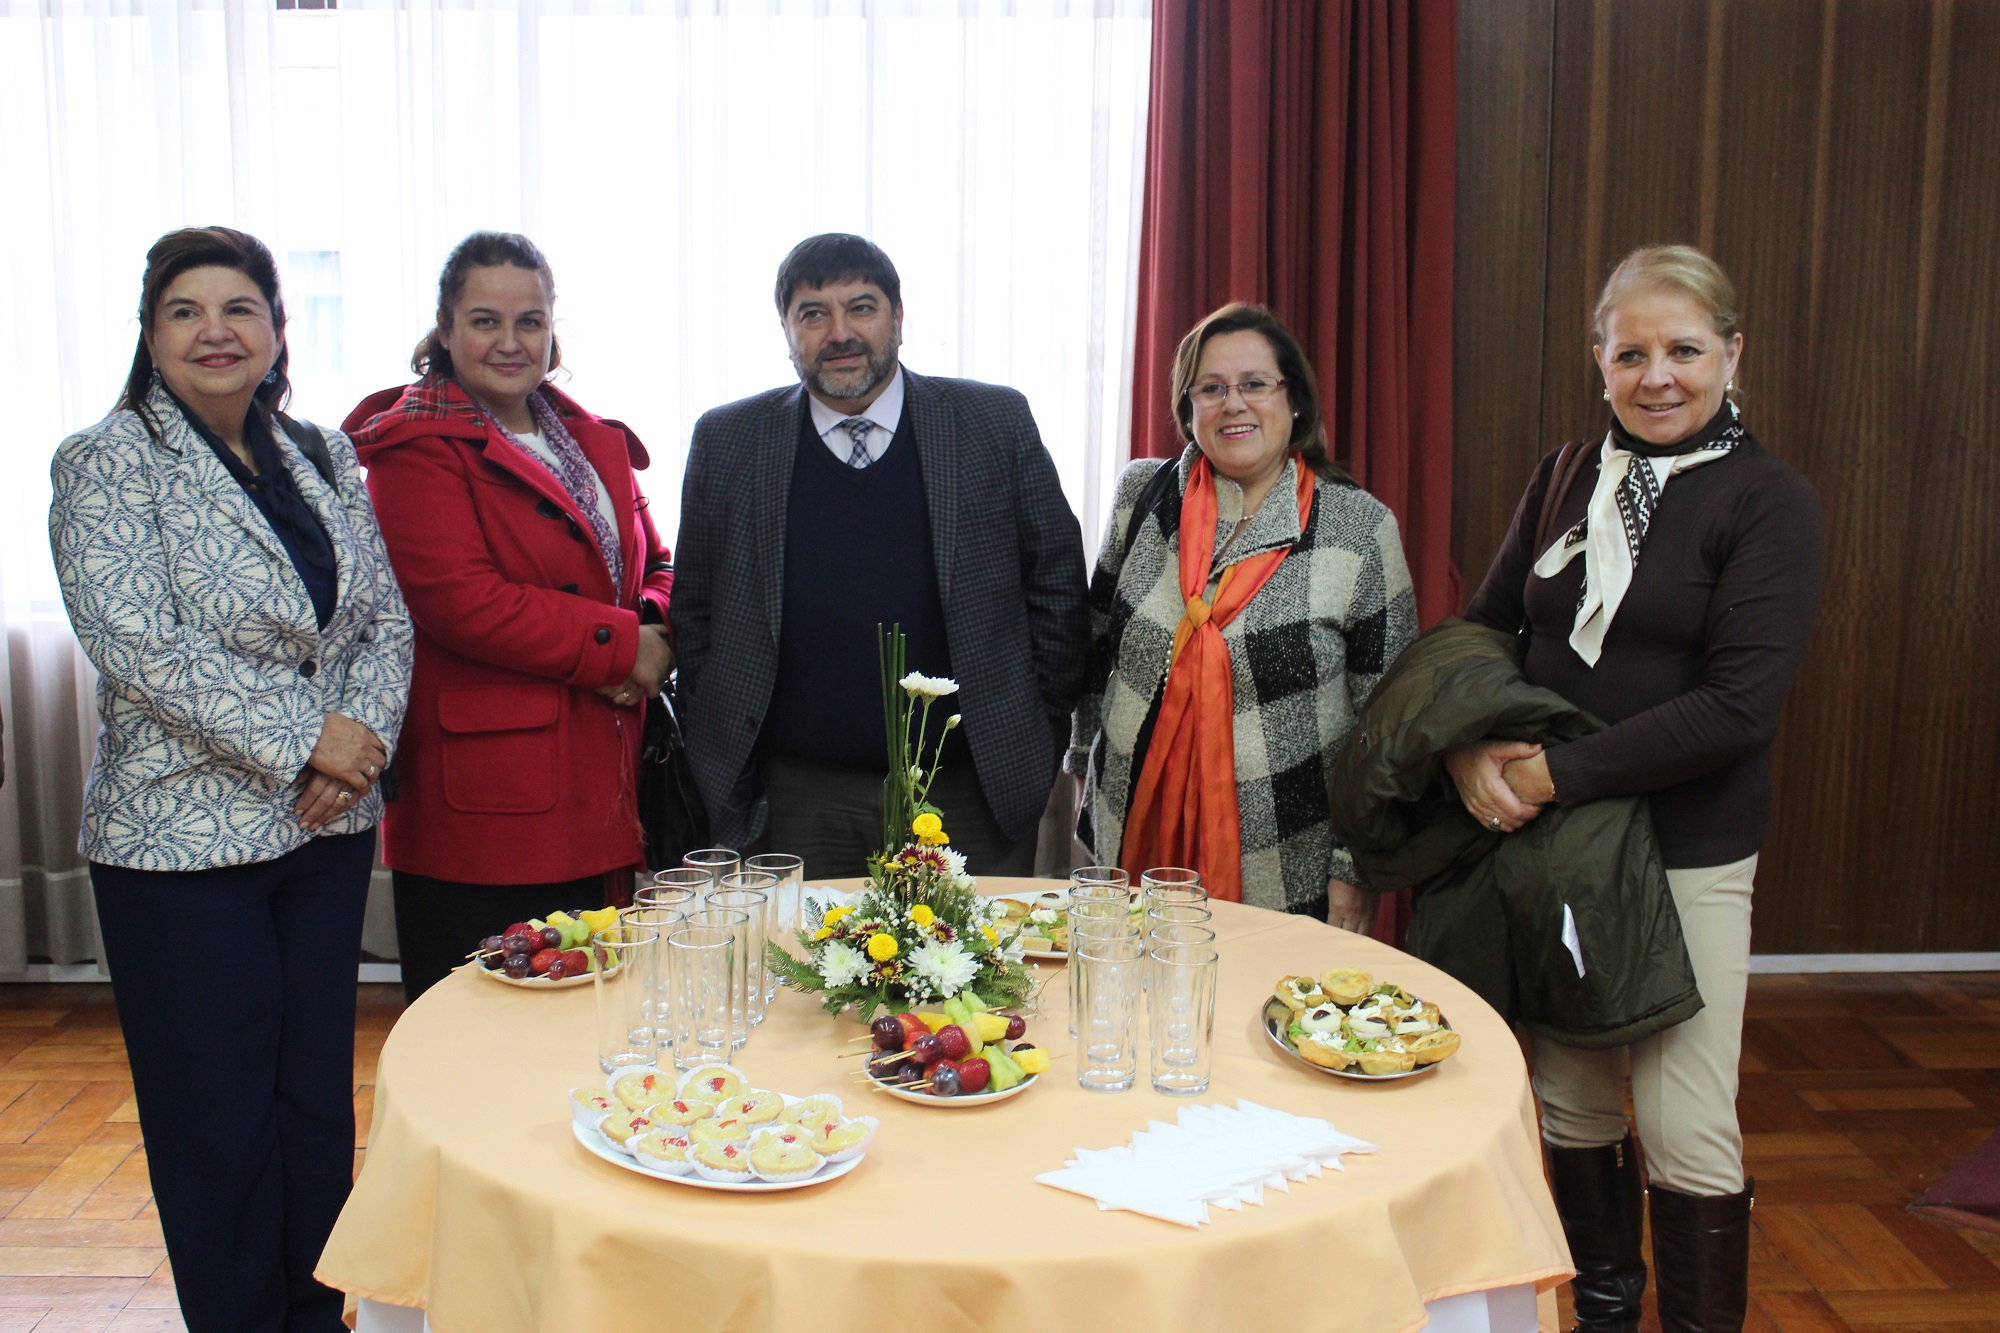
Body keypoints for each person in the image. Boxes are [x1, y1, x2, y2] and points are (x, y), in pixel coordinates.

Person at [49, 226, 412, 1333]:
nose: (215, 330)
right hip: (179, 846)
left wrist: (358, 741)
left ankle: (315, 1314)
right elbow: (138, 644)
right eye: (185, 311)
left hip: (325, 829)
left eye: (239, 307)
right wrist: (311, 738)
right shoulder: (105, 461)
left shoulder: (323, 453)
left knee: (312, 1101)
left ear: (276, 329)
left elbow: (384, 621)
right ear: (151, 336)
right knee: (216, 1122)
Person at [1454, 245, 1822, 1333]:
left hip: (1683, 846)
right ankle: (1604, 1317)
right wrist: (1470, 748)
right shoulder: (1565, 474)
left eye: (1684, 351)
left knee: (1683, 1119)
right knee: (1570, 1097)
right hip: (1559, 845)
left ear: (1732, 355)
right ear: (1599, 361)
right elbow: (1487, 629)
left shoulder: (1769, 500)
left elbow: (1736, 709)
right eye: (1631, 354)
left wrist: (1550, 772)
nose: (1657, 376)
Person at [671, 233, 1089, 879]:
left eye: (861, 307)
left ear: (898, 315)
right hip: (793, 798)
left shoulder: (992, 422)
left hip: (969, 790)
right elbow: (695, 609)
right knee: (795, 950)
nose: (840, 332)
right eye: (814, 314)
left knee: (980, 949)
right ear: (786, 331)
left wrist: (1039, 727)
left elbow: (1057, 586)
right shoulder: (728, 439)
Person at [344, 231, 674, 1002]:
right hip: (487, 808)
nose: (510, 341)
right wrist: (624, 649)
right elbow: (462, 602)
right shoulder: (412, 445)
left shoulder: (587, 437)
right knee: (480, 1028)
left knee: (592, 1018)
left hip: (603, 788)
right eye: (485, 321)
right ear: (445, 328)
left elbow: (656, 564)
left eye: (530, 322)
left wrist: (654, 633)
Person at [1071, 302, 1417, 917]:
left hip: (1286, 868)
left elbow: (1388, 725)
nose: (1233, 404)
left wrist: (1355, 866)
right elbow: (1095, 650)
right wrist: (1081, 768)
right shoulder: (1143, 496)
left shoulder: (1359, 529)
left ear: (1295, 401)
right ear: (1188, 408)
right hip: (1123, 847)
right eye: (1212, 388)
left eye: (1255, 384)